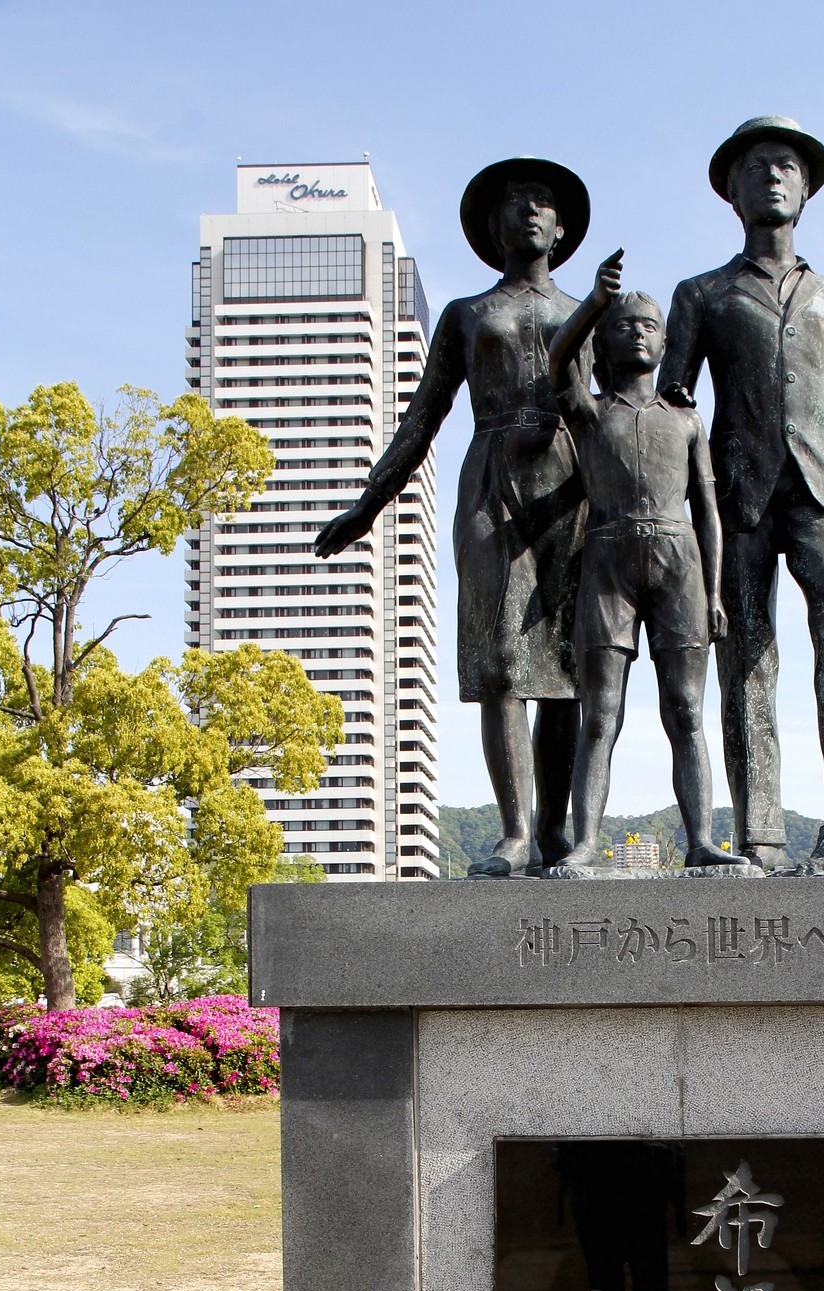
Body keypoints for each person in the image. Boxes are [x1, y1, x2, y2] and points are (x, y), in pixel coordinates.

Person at [314, 158, 592, 877]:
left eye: (543, 203)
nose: (530, 211)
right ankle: (514, 833)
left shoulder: (585, 312)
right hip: (491, 477)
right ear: (492, 226)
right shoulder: (469, 315)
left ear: (561, 229)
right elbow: (421, 418)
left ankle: (557, 833)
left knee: (567, 666)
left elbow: (617, 410)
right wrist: (368, 502)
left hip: (570, 482)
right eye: (515, 203)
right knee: (499, 660)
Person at [659, 115, 824, 872]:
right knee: (746, 651)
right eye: (755, 167)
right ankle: (759, 827)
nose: (771, 175)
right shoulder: (702, 292)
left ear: (806, 191)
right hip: (735, 491)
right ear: (730, 194)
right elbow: (676, 394)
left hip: (823, 484)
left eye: (785, 166)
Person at [546, 249, 748, 874]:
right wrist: (594, 304)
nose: (637, 331)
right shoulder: (590, 412)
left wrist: (713, 591)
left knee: (686, 709)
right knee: (600, 714)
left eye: (650, 325)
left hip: (679, 558)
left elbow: (708, 511)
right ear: (603, 344)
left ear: (665, 344)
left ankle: (701, 840)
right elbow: (557, 357)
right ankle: (584, 844)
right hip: (607, 559)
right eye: (622, 325)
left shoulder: (685, 418)